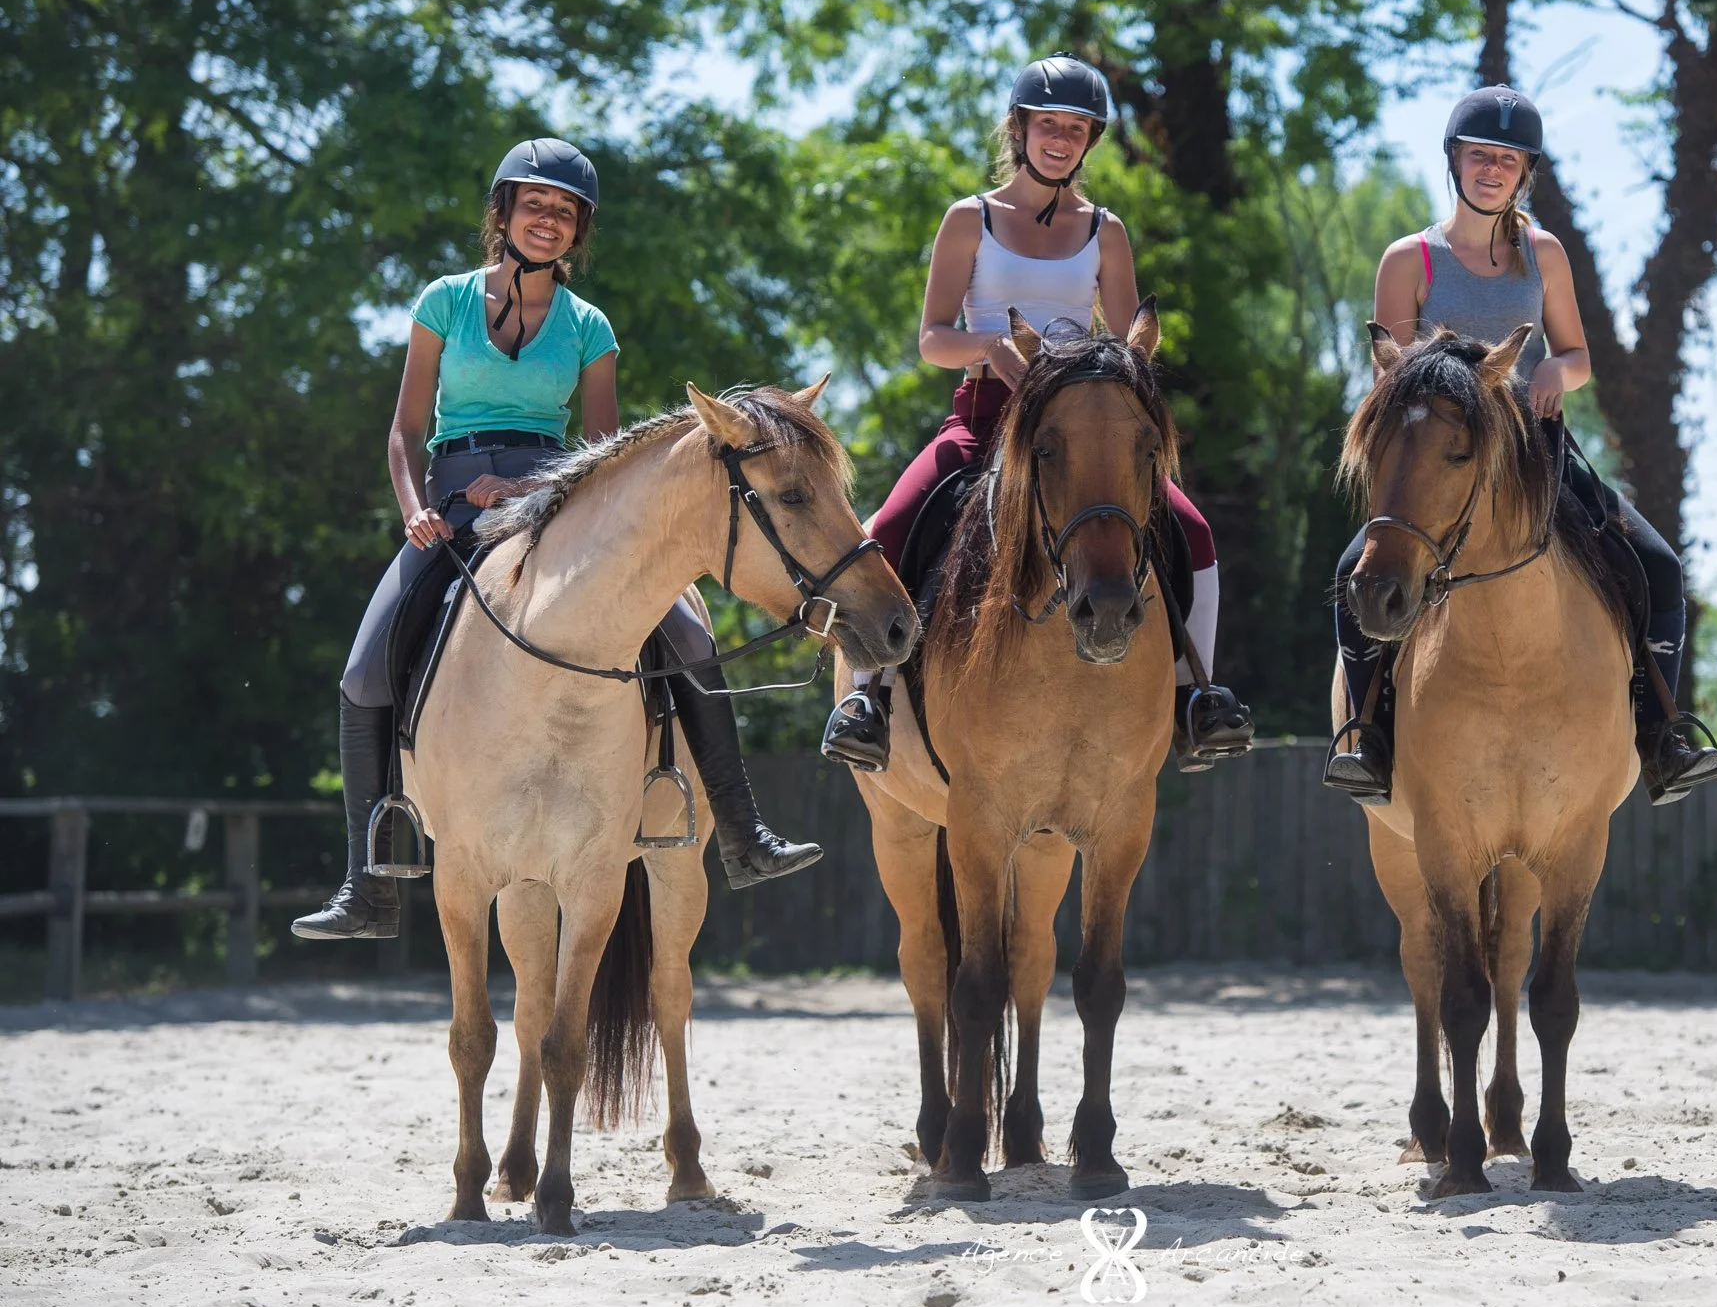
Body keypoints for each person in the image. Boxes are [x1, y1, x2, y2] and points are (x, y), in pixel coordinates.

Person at [293, 139, 820, 941]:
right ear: (501, 213)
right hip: (452, 504)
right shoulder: (444, 301)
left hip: (553, 503)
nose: (550, 220)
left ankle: (743, 834)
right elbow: (404, 430)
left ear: (579, 232)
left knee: (685, 630)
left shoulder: (588, 327)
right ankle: (368, 885)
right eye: (535, 205)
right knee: (365, 669)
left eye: (566, 212)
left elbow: (602, 457)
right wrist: (415, 508)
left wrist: (533, 490)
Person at [819, 53, 1253, 774]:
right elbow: (931, 338)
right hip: (987, 414)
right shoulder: (970, 218)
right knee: (887, 526)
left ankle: (1193, 694)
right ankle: (867, 697)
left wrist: (1124, 366)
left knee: (1194, 529)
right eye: (1046, 124)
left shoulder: (1105, 230)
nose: (1060, 138)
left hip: (1083, 429)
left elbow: (1127, 344)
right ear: (1018, 129)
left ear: (1090, 140)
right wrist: (989, 346)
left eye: (1075, 128)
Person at [1320, 86, 1717, 807]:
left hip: (1534, 456)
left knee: (1659, 570)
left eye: (1506, 160)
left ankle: (1661, 734)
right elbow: (1390, 375)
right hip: (1437, 462)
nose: (1491, 170)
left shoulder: (1544, 253)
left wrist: (1550, 369)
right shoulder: (1406, 259)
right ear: (1454, 161)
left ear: (1524, 173)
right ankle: (1366, 738)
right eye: (1479, 156)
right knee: (1356, 571)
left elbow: (1577, 355)